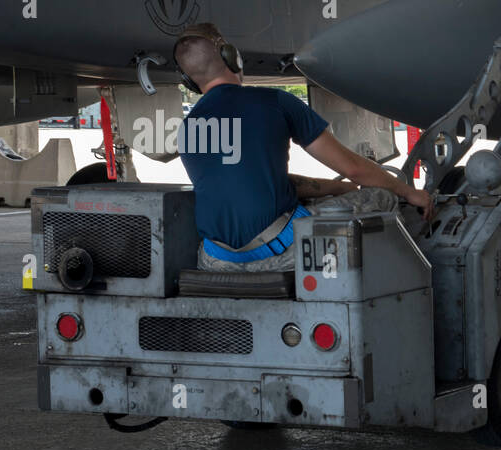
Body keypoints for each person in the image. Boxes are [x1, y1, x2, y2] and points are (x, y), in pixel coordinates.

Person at [172, 23, 433, 272]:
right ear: (231, 58)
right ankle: (418, 273)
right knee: (383, 197)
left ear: (189, 80)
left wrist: (337, 188)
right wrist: (409, 193)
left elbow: (255, 182)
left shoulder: (187, 127)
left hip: (217, 261)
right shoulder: (274, 102)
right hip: (279, 251)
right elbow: (353, 168)